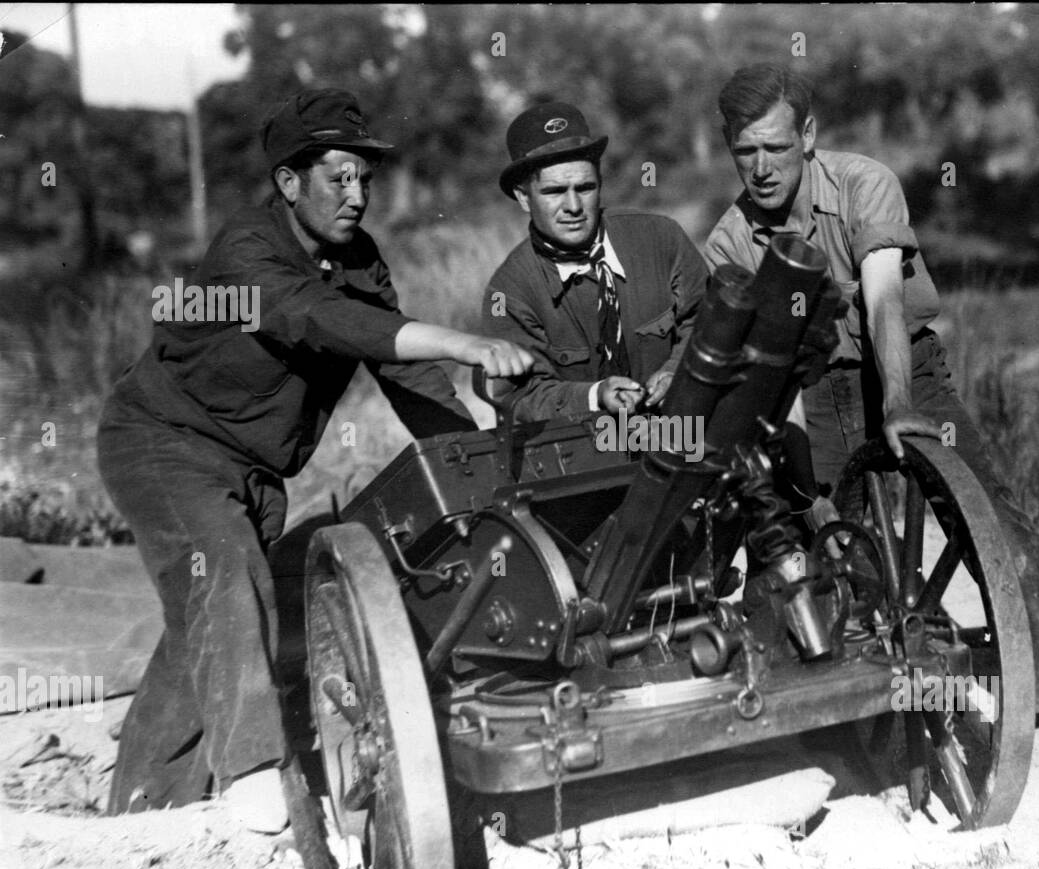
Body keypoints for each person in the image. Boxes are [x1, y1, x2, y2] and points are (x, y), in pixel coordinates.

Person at [97, 89, 534, 831]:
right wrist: (461, 341)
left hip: (254, 471)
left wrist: (474, 464)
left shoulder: (359, 261)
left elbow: (409, 379)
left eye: (364, 177)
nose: (357, 194)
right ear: (288, 182)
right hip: (164, 445)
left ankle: (140, 814)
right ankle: (254, 776)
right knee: (226, 571)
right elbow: (322, 319)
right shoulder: (247, 252)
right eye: (338, 177)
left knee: (208, 625)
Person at [704, 64, 1039, 744]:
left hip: (902, 365)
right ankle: (854, 708)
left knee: (987, 513)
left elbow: (883, 301)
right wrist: (802, 484)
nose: (761, 167)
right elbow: (767, 377)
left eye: (776, 147)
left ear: (809, 135)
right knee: (822, 548)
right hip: (812, 392)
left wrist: (900, 402)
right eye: (745, 151)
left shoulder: (863, 183)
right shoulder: (730, 241)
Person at [482, 101, 708, 423]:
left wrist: (677, 372)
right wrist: (595, 396)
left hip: (679, 431)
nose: (573, 206)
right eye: (555, 191)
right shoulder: (509, 292)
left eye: (584, 188)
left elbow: (707, 321)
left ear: (600, 183)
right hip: (586, 453)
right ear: (523, 197)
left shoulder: (661, 238)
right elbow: (520, 398)